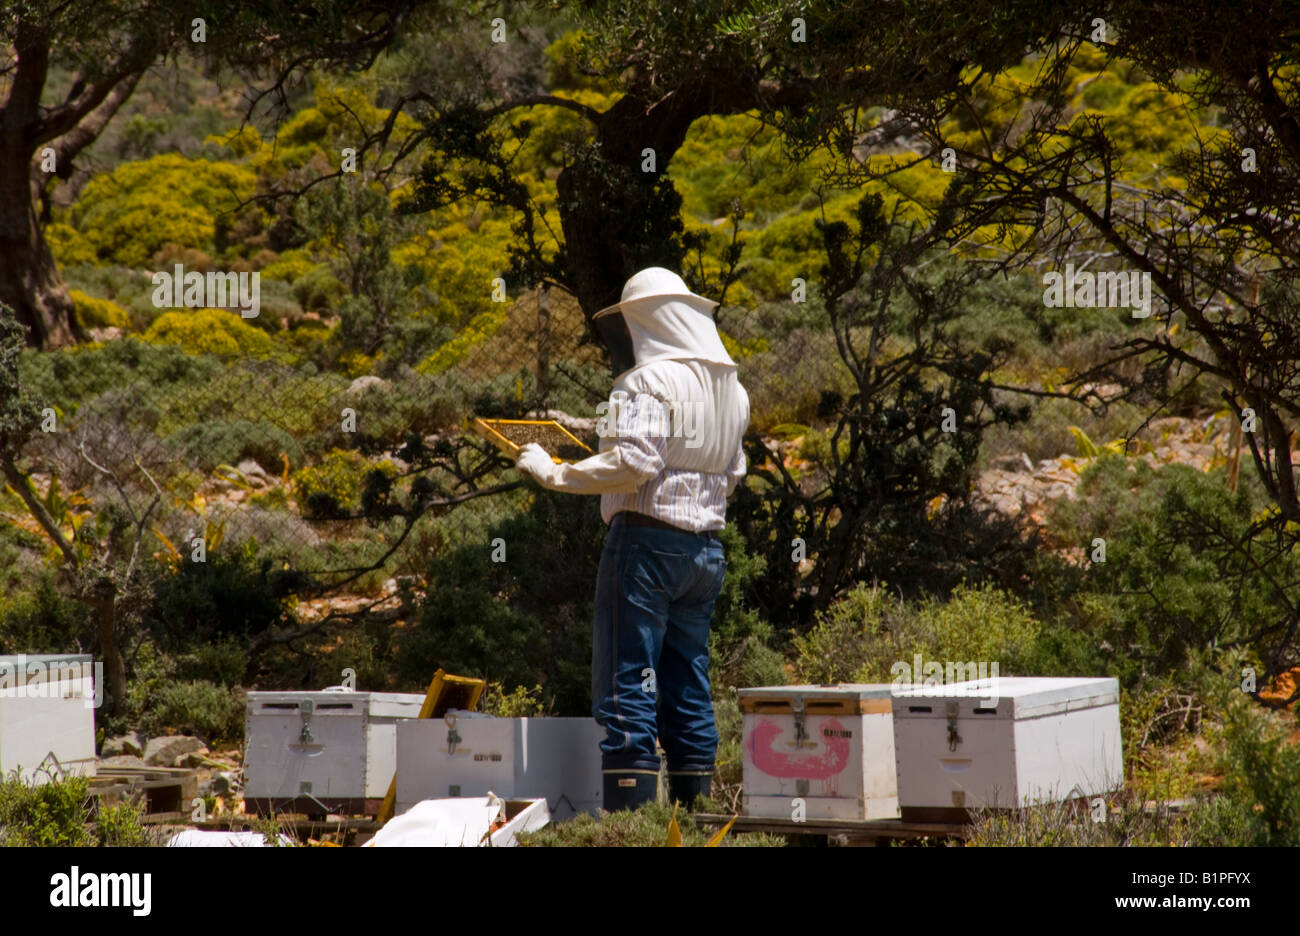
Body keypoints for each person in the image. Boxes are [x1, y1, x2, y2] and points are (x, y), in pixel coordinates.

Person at [514, 267, 750, 811]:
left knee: (627, 685)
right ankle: (695, 822)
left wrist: (554, 472)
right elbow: (734, 470)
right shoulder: (731, 388)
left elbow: (635, 463)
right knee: (688, 682)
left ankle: (633, 826)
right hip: (705, 553)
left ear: (643, 322)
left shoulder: (644, 382)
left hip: (645, 546)